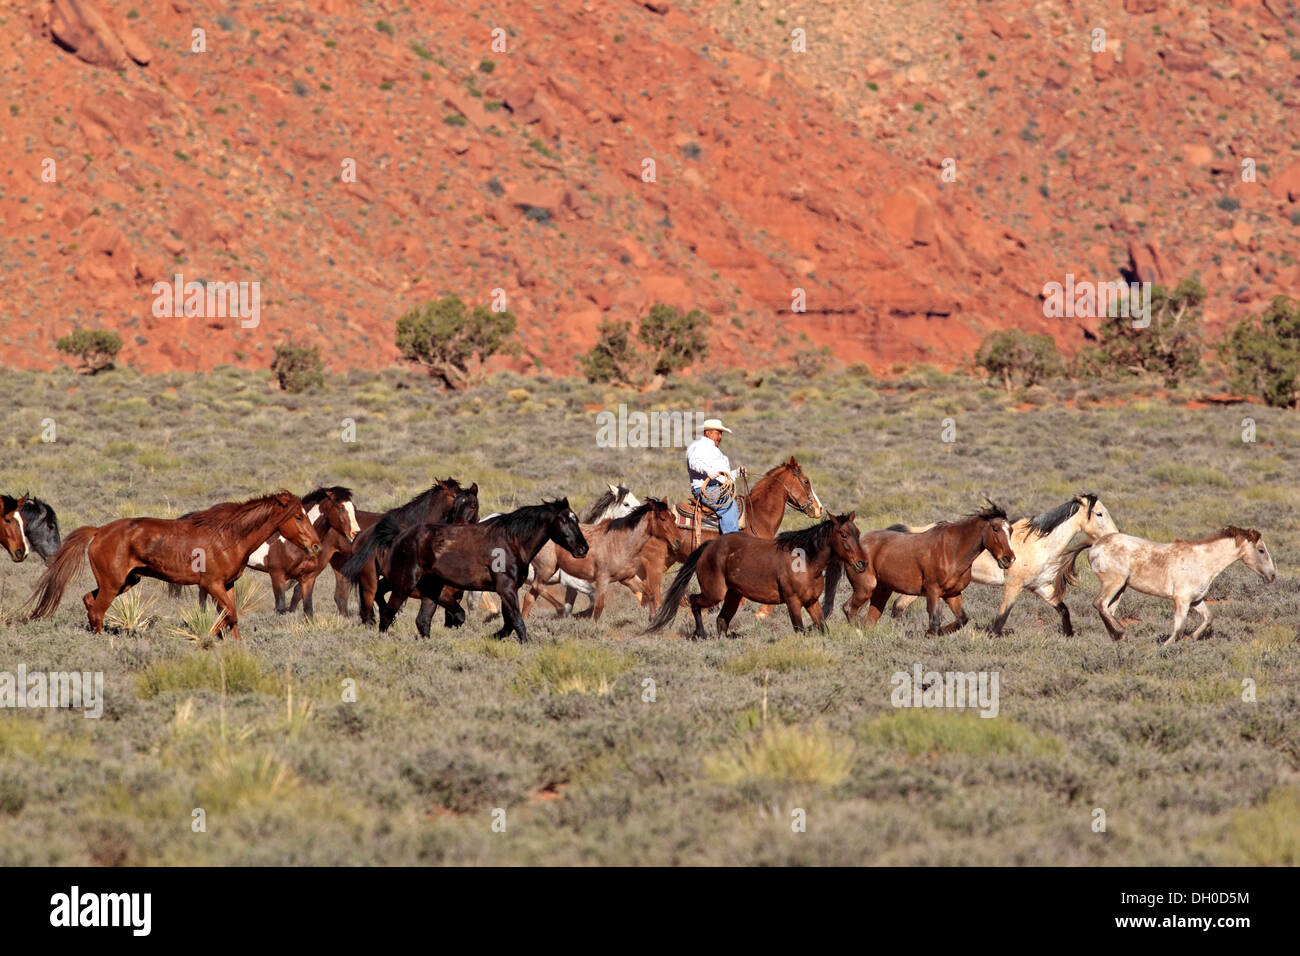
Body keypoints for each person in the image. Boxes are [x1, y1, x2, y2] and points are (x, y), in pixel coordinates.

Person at [686, 418, 745, 534]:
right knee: (728, 504)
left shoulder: (713, 449)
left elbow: (722, 476)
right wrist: (708, 471)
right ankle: (731, 540)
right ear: (708, 433)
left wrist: (736, 473)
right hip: (706, 489)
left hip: (715, 487)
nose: (720, 437)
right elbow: (693, 461)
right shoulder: (699, 445)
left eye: (721, 433)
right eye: (718, 433)